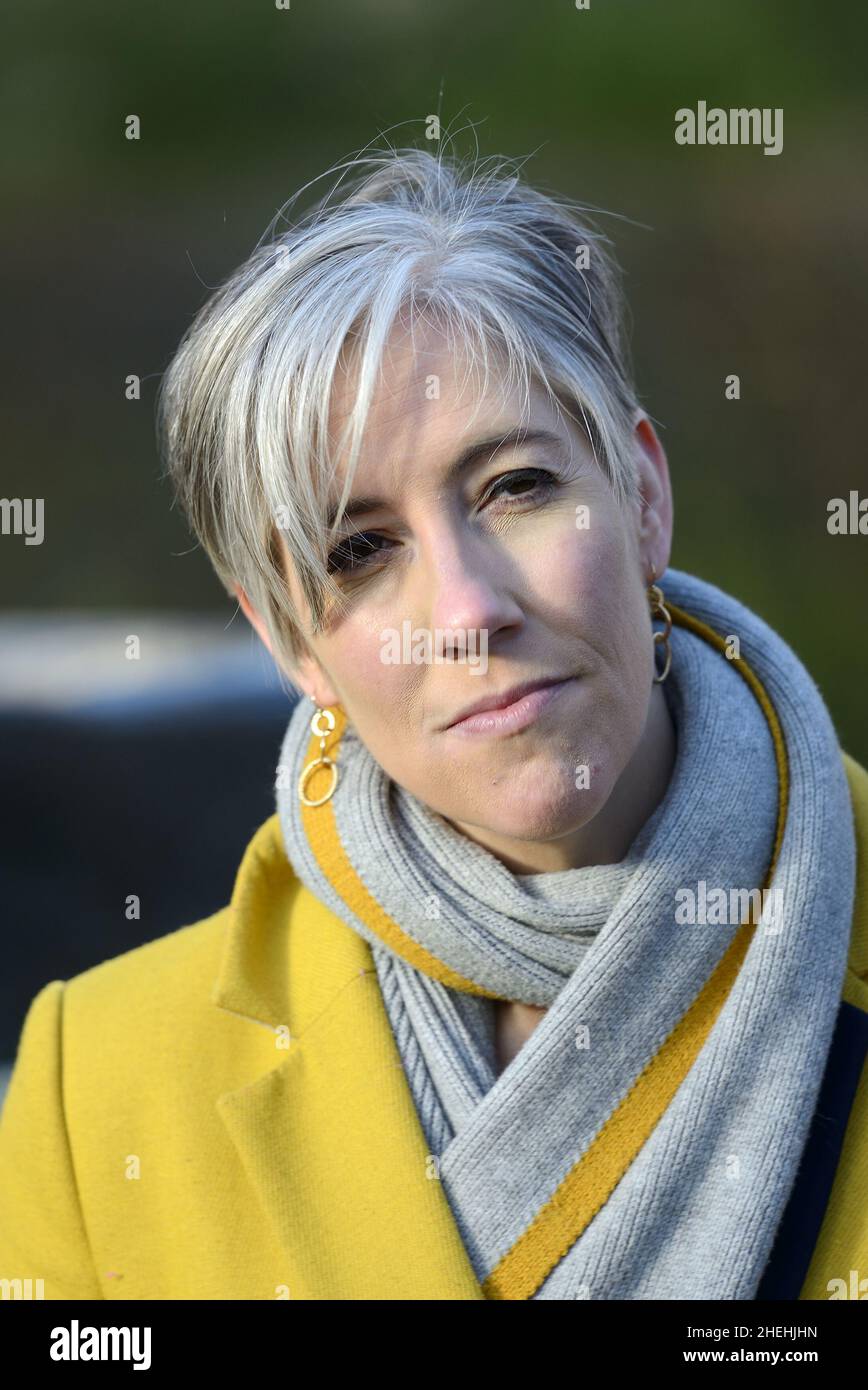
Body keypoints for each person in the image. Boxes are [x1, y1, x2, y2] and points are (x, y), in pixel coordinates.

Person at [2, 146, 867, 1302]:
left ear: (643, 495)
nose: (464, 611)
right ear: (291, 643)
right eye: (359, 551)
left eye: (514, 486)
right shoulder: (91, 1083)